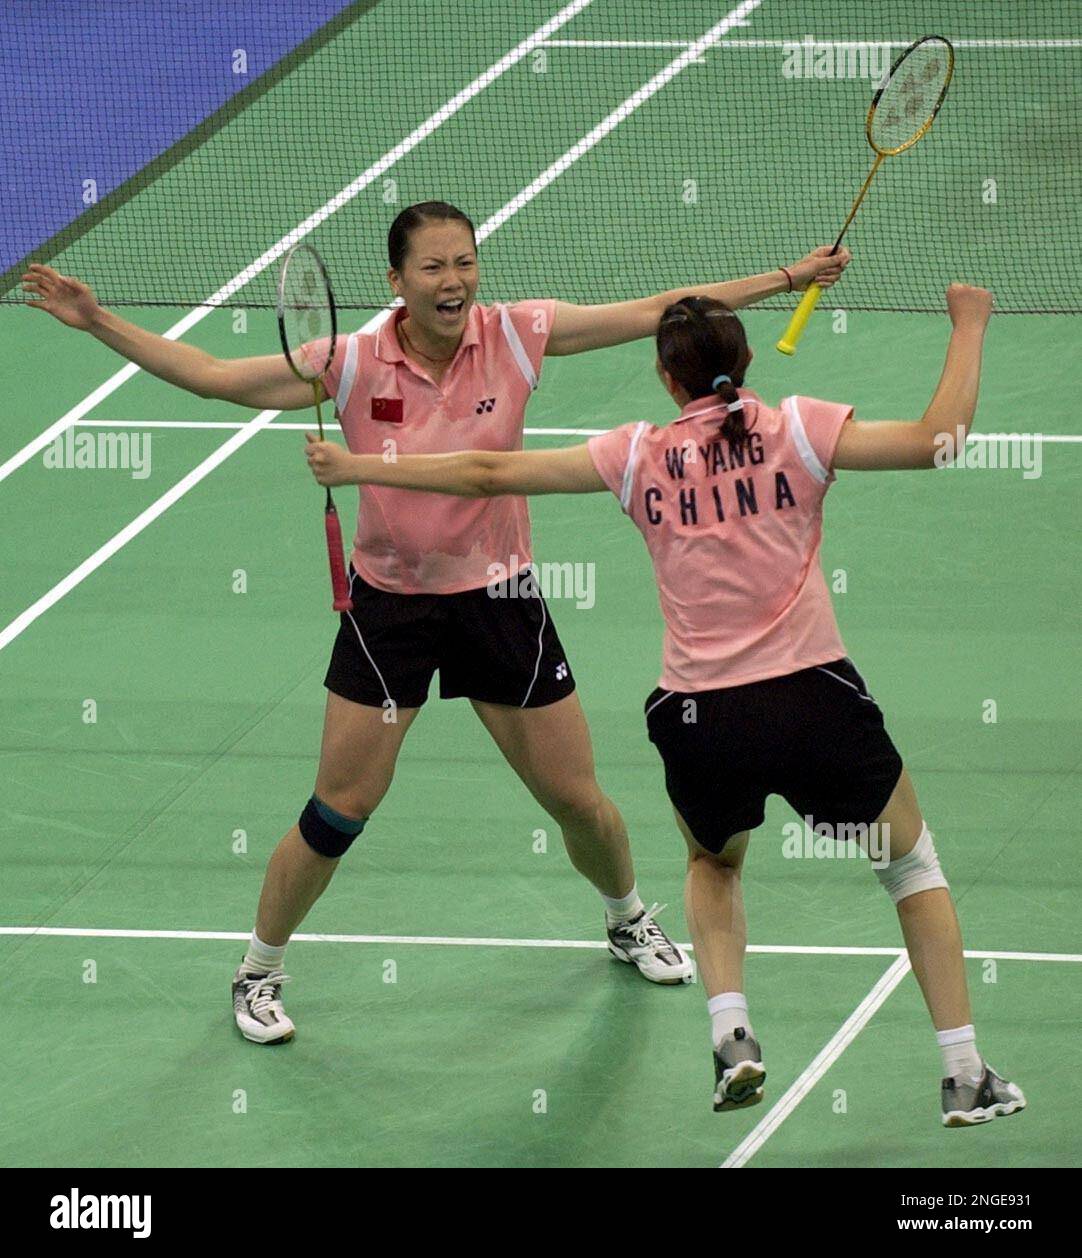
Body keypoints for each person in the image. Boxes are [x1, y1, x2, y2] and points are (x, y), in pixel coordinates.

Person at [22, 202, 850, 1048]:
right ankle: (258, 969)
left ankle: (626, 916)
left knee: (576, 800)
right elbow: (210, 375)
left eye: (465, 262)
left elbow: (665, 311)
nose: (454, 282)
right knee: (339, 809)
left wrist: (788, 275)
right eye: (433, 268)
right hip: (391, 611)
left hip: (499, 600)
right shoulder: (345, 363)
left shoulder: (518, 334)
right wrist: (96, 322)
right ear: (397, 282)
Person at [304, 282, 1026, 1129]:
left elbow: (487, 470)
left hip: (698, 718)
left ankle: (732, 1035)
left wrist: (361, 466)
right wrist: (971, 324)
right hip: (814, 704)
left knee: (714, 865)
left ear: (664, 375)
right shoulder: (797, 428)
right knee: (909, 868)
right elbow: (938, 442)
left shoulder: (637, 452)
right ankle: (965, 1073)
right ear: (746, 361)